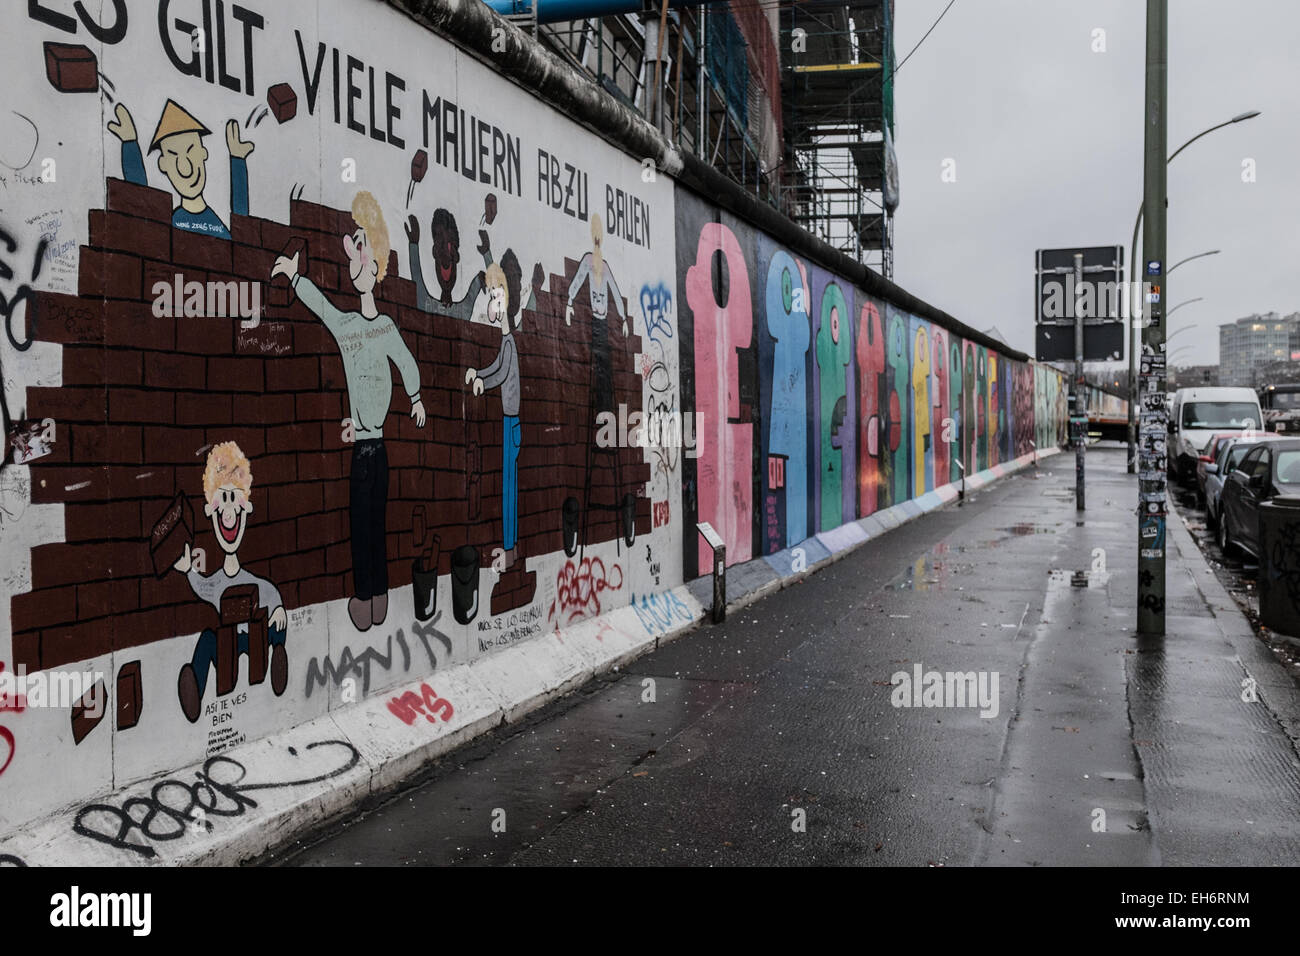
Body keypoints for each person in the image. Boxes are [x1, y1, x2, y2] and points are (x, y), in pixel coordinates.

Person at [272, 191, 426, 632]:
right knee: (365, 524)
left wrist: (415, 398)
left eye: (361, 253)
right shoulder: (350, 327)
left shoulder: (384, 326)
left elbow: (408, 362)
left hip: (370, 451)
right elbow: (322, 308)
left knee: (370, 524)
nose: (353, 262)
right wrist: (297, 278)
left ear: (376, 268)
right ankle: (371, 597)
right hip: (365, 446)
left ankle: (371, 597)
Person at [173, 442, 286, 723]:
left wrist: (279, 608)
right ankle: (195, 684)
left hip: (254, 635)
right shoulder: (216, 582)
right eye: (222, 500)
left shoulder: (253, 581)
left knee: (273, 625)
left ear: (245, 506)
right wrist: (189, 569)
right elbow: (203, 587)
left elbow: (268, 592)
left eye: (234, 500)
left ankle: (278, 654)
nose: (228, 511)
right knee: (208, 640)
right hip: (229, 643)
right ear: (211, 510)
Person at [106, 99, 253, 240]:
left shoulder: (218, 228)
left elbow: (242, 244)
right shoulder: (172, 223)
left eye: (191, 150)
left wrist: (237, 160)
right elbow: (143, 211)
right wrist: (130, 144)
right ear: (163, 164)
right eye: (173, 155)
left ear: (203, 153)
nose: (185, 167)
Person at [466, 264, 522, 567]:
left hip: (511, 423)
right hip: (508, 422)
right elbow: (495, 367)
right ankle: (508, 546)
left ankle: (510, 550)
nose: (492, 302)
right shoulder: (505, 342)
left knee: (509, 491)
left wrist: (482, 382)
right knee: (507, 489)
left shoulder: (510, 342)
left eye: (496, 295)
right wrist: (479, 372)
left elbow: (500, 373)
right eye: (490, 295)